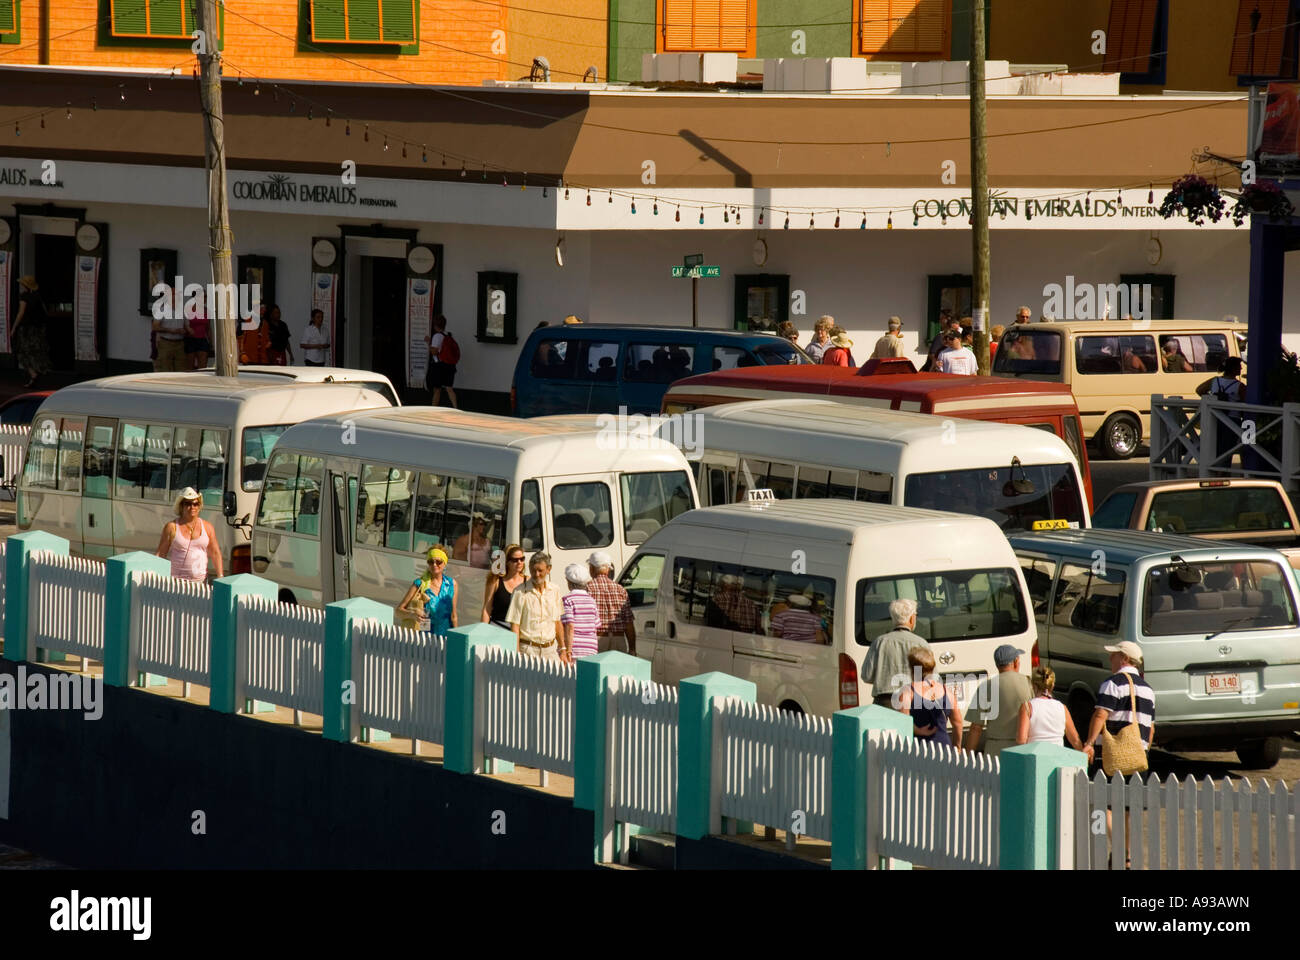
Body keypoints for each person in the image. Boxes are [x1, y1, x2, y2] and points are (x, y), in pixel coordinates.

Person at [1084, 641, 1154, 868]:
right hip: (1138, 756)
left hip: (1113, 756)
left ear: (1124, 658)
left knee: (1101, 804)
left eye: (1114, 655)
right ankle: (1127, 857)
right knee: (1128, 809)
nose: (1110, 659)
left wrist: (1089, 743)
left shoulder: (1112, 684)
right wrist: (1143, 748)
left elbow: (1100, 715)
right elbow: (1151, 727)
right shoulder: (1148, 689)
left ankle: (1120, 848)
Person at [963, 644, 1033, 757]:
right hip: (1022, 747)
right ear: (1016, 662)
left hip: (994, 750)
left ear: (997, 665)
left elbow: (976, 728)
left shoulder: (986, 686)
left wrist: (966, 756)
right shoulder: (1028, 683)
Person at [861, 598, 932, 707]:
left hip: (884, 703)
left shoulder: (879, 642)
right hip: (914, 702)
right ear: (912, 619)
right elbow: (931, 678)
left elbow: (866, 676)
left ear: (893, 618)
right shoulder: (921, 643)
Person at [897, 646, 963, 746]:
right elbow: (958, 723)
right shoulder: (946, 691)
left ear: (912, 668)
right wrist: (957, 748)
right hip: (944, 747)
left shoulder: (908, 692)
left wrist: (918, 731)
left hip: (919, 749)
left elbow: (903, 722)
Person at [1016, 665, 1090, 754]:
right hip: (1057, 759)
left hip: (1035, 759)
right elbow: (1075, 740)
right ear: (1053, 685)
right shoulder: (1062, 708)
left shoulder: (1027, 707)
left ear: (1033, 685)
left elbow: (1021, 740)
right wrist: (1083, 756)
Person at [155, 487, 223, 581]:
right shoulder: (172, 527)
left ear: (199, 506)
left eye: (195, 504)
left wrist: (220, 576)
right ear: (181, 506)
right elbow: (161, 554)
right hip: (177, 583)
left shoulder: (208, 527)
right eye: (188, 504)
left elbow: (215, 553)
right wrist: (155, 575)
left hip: (201, 583)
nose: (192, 507)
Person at [506, 552, 563, 659]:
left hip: (550, 650)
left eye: (540, 570)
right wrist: (517, 653)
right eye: (533, 570)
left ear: (548, 569)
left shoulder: (555, 590)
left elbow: (557, 621)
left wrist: (563, 648)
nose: (536, 574)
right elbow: (515, 625)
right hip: (528, 650)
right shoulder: (519, 592)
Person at [1198, 356, 1247, 464]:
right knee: (1227, 450)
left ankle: (1213, 470)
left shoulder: (1214, 381)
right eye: (1239, 366)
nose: (1241, 369)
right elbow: (1247, 403)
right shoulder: (1240, 386)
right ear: (1233, 369)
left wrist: (1210, 399)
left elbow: (1199, 390)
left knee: (1213, 447)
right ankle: (1224, 471)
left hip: (1214, 418)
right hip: (1232, 420)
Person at [587, 550, 636, 655]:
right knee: (619, 671)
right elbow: (629, 623)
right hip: (618, 639)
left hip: (597, 640)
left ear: (591, 568)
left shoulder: (587, 589)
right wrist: (632, 648)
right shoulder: (620, 590)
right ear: (608, 569)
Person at [399, 547, 458, 635]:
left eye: (438, 562)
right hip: (425, 638)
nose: (434, 565)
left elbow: (453, 615)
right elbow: (398, 611)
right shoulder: (420, 584)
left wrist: (456, 637)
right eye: (431, 562)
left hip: (446, 636)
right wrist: (413, 615)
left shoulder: (452, 584)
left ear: (444, 563)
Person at [12, 275, 51, 387]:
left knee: (22, 352)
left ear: (25, 285)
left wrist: (14, 327)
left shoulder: (24, 297)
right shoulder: (38, 296)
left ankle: (33, 374)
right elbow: (45, 312)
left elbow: (21, 313)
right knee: (36, 351)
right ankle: (38, 371)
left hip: (26, 329)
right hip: (38, 329)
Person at [560, 563, 600, 663]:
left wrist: (568, 649)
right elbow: (596, 625)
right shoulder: (592, 600)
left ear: (569, 582)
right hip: (591, 647)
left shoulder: (567, 600)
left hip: (575, 648)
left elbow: (570, 625)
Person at [481, 543, 527, 630]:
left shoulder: (528, 581)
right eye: (515, 560)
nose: (519, 562)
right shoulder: (496, 580)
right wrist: (483, 631)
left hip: (521, 630)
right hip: (498, 628)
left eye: (522, 559)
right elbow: (487, 609)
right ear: (506, 562)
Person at [425, 314, 459, 409]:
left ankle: (433, 409)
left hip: (439, 366)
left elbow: (434, 352)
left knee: (437, 389)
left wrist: (429, 343)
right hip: (449, 365)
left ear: (435, 325)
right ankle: (456, 408)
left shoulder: (437, 336)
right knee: (449, 388)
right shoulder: (448, 335)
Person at [152, 284, 188, 372]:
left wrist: (186, 330)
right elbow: (155, 327)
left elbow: (186, 326)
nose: (177, 296)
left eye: (178, 294)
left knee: (181, 369)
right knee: (165, 369)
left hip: (180, 344)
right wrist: (171, 330)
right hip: (166, 343)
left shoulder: (182, 310)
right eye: (174, 294)